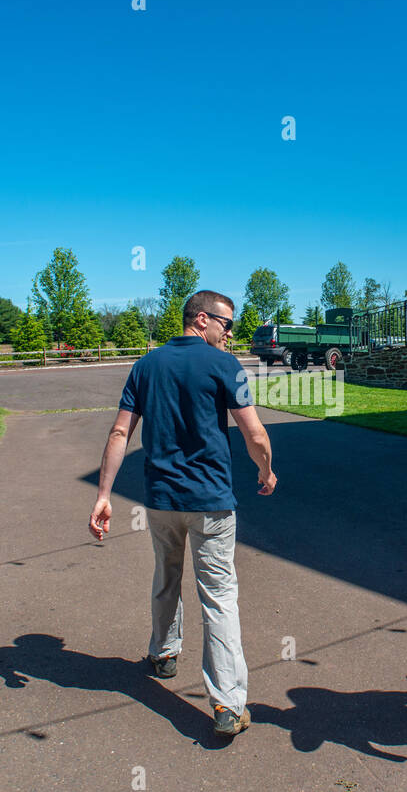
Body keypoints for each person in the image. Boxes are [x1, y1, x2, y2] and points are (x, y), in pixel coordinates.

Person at [88, 290, 276, 737]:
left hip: (161, 500)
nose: (231, 334)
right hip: (211, 501)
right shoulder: (226, 366)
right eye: (227, 325)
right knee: (218, 596)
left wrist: (103, 494)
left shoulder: (145, 366)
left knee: (166, 576)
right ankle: (228, 703)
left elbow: (120, 431)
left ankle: (165, 652)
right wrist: (267, 471)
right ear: (202, 320)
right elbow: (256, 434)